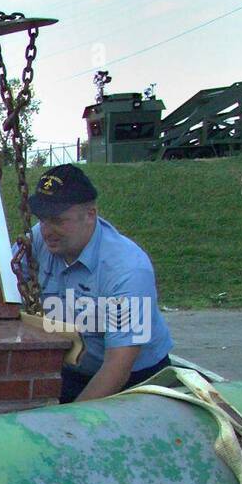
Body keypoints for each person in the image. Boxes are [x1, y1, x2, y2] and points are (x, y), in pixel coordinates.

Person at [28, 164, 173, 403]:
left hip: (135, 383)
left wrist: (70, 424)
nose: (47, 230)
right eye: (42, 219)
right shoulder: (39, 238)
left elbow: (118, 366)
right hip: (70, 371)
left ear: (91, 215)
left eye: (57, 220)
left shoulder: (128, 270)